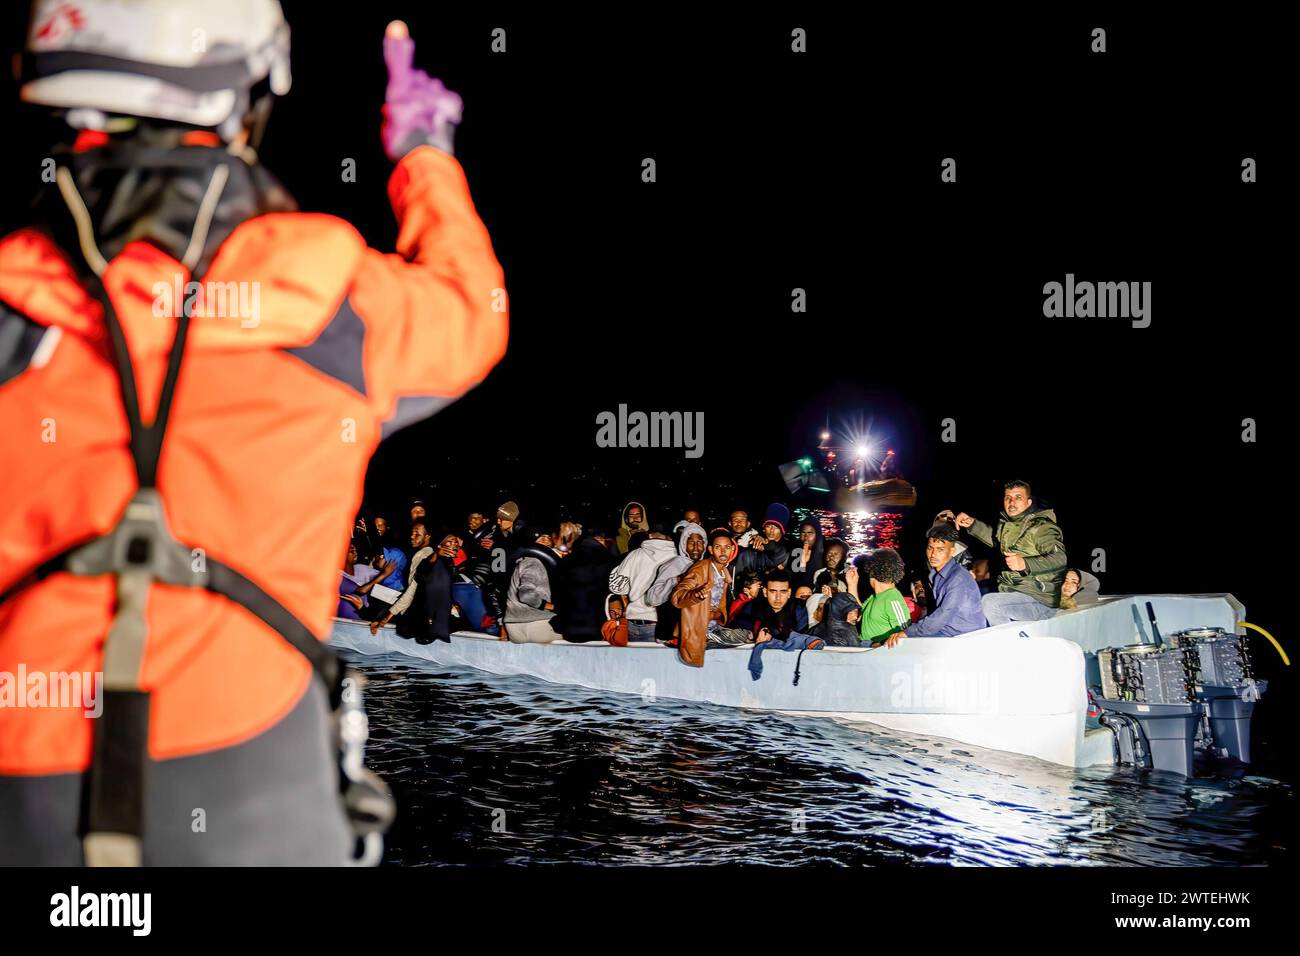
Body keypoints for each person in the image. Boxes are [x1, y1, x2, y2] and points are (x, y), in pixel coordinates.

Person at [0, 7, 506, 865]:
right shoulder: (334, 298)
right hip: (252, 786)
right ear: (245, 99)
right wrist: (425, 153)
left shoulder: (13, 306)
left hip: (23, 788)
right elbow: (474, 311)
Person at [955, 480, 1067, 626]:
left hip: (1039, 600)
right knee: (969, 604)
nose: (1012, 502)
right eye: (1008, 498)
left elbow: (1059, 558)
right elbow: (995, 539)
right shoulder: (1008, 525)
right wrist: (972, 524)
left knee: (990, 603)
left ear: (1028, 502)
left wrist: (1025, 563)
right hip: (1013, 594)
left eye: (1018, 497)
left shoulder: (1042, 527)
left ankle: (1009, 645)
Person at [671, 529, 741, 664]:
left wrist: (715, 615)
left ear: (732, 549)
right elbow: (676, 597)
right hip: (697, 633)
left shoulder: (725, 572)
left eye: (727, 547)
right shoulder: (701, 568)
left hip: (713, 630)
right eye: (718, 547)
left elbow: (720, 610)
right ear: (710, 549)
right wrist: (695, 595)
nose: (723, 552)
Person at [905, 525, 987, 637]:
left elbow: (942, 615)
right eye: (930, 548)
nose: (933, 554)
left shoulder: (958, 579)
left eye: (940, 550)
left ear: (952, 551)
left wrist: (907, 633)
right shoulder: (938, 574)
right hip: (948, 629)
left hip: (964, 635)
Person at [504, 521, 579, 644]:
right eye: (541, 537)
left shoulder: (522, 561)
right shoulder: (534, 563)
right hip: (536, 623)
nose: (546, 540)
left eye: (547, 537)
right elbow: (526, 595)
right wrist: (551, 607)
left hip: (514, 624)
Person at [551, 525, 619, 642]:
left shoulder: (566, 561)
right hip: (598, 623)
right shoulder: (610, 561)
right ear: (601, 540)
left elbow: (557, 592)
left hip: (570, 623)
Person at [607, 530, 677, 642]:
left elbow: (617, 587)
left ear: (650, 535)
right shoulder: (675, 556)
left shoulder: (636, 554)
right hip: (657, 621)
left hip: (633, 618)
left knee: (630, 659)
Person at [845, 549, 910, 648]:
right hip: (866, 649)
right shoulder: (874, 597)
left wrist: (880, 644)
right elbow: (859, 614)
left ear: (871, 570)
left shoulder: (892, 598)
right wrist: (852, 584)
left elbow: (906, 635)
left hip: (880, 655)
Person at [789, 518, 826, 590]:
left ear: (817, 534)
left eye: (810, 533)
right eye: (803, 532)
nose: (806, 537)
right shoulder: (796, 550)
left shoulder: (825, 550)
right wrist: (803, 562)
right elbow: (795, 579)